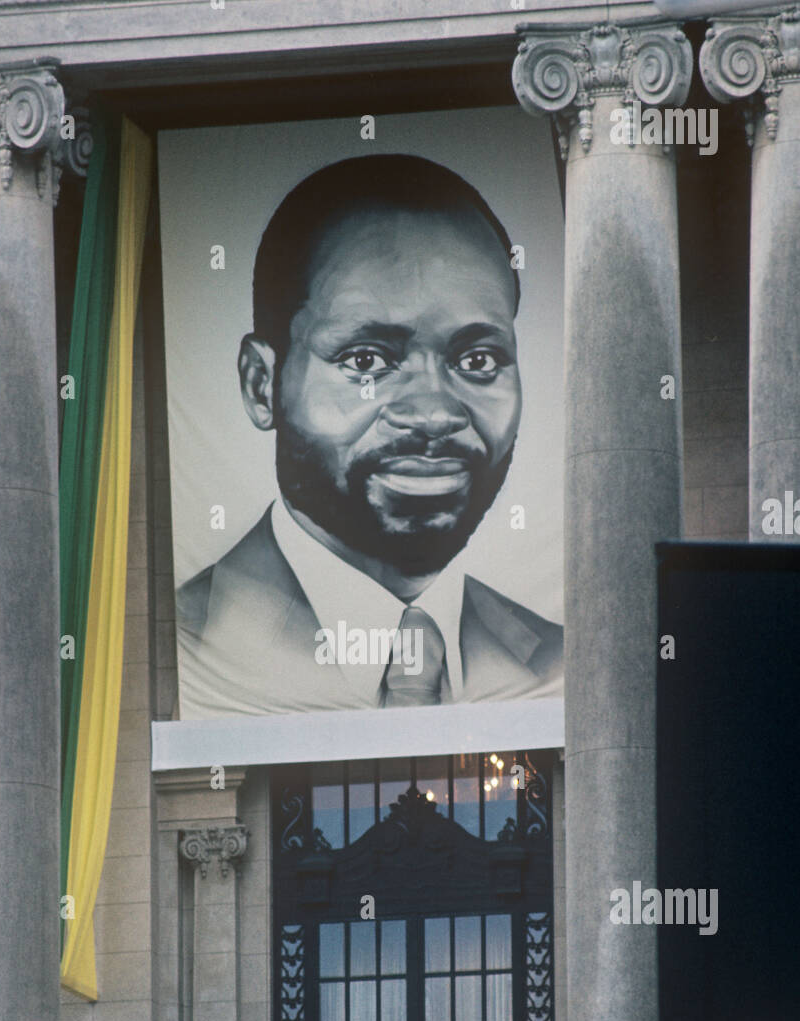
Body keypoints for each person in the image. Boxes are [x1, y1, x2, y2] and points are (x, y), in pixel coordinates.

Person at [177, 154, 562, 717]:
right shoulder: (183, 643)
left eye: (477, 360)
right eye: (366, 360)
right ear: (262, 385)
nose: (433, 414)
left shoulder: (558, 659)